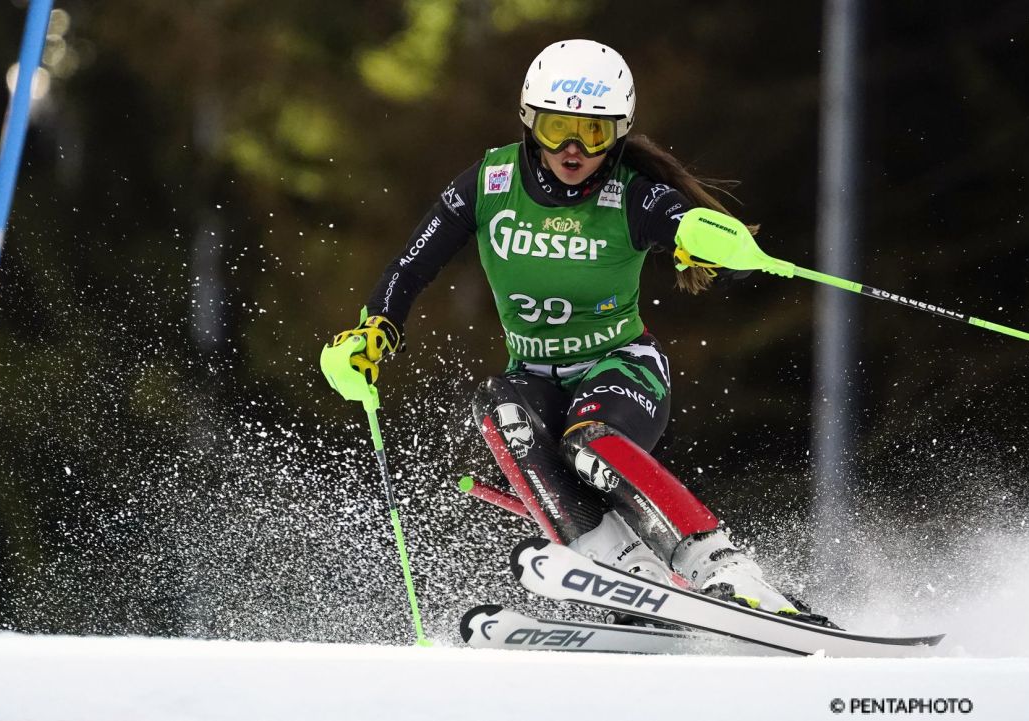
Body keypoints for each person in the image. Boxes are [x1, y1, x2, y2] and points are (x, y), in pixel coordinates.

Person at [325, 39, 819, 620]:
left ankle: (723, 568)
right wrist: (373, 332)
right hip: (534, 377)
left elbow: (689, 225)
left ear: (619, 132)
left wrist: (711, 237)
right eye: (559, 126)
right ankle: (625, 576)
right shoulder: (489, 183)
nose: (573, 148)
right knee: (499, 408)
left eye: (595, 132)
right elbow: (411, 265)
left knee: (587, 443)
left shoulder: (632, 195)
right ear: (530, 120)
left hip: (621, 367)